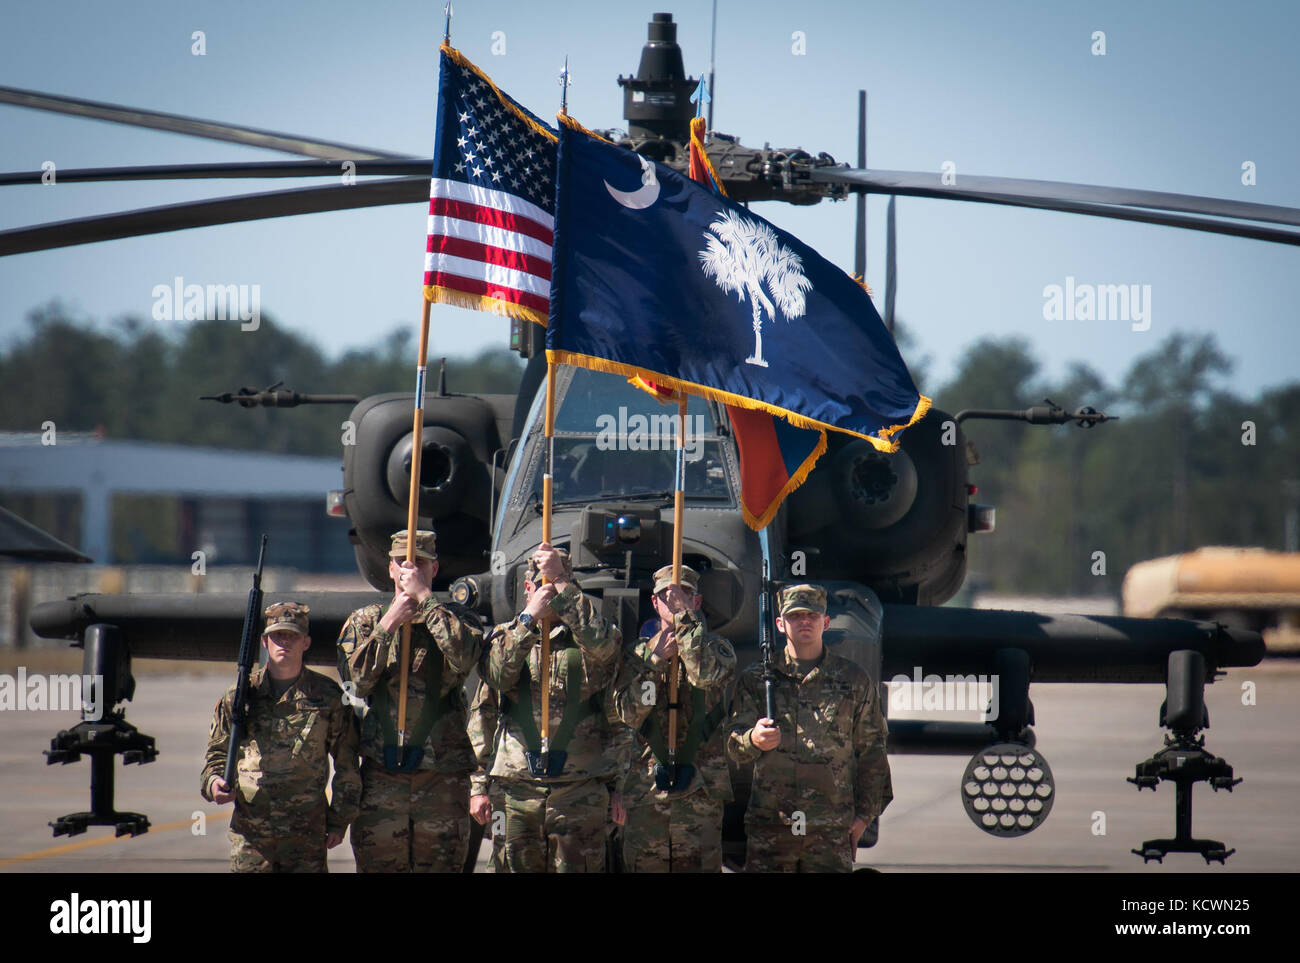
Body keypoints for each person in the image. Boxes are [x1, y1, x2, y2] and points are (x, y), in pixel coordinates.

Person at [336, 529, 483, 872]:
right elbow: (355, 683)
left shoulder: (458, 618)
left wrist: (426, 602)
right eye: (403, 563)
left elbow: (465, 658)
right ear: (390, 569)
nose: (410, 570)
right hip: (382, 778)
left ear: (434, 569)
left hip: (442, 780)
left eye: (420, 563)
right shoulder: (365, 621)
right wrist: (389, 624)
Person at [727, 583, 892, 873]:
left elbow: (873, 751)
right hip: (772, 830)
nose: (805, 621)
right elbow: (732, 746)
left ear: (825, 623)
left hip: (829, 829)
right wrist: (753, 739)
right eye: (795, 615)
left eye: (812, 615)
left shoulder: (853, 680)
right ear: (780, 624)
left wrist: (864, 817)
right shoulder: (756, 680)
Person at [483, 542, 623, 872]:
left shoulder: (592, 639)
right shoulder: (505, 635)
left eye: (559, 589)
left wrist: (560, 581)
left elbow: (607, 651)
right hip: (518, 790)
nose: (552, 597)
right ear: (528, 588)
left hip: (579, 790)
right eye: (542, 587)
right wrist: (529, 618)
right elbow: (495, 679)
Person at [201, 601, 361, 873]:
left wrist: (339, 820)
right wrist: (214, 783)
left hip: (306, 837)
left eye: (292, 636)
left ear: (306, 643)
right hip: (252, 837)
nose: (284, 642)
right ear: (265, 642)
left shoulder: (328, 697)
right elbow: (217, 752)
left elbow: (347, 764)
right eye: (278, 636)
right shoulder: (241, 696)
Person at [612, 563, 736, 872]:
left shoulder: (718, 649)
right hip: (646, 792)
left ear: (696, 602)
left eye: (684, 596)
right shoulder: (636, 655)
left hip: (700, 792)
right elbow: (627, 714)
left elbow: (703, 674)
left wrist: (685, 623)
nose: (675, 601)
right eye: (668, 596)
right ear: (654, 603)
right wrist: (655, 663)